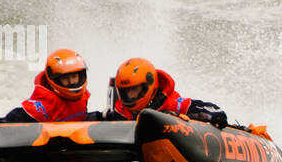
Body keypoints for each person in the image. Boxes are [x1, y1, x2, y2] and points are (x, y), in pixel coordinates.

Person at [102, 58, 270, 138]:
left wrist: (212, 116)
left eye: (135, 90)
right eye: (126, 91)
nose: (130, 96)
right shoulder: (119, 109)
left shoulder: (170, 101)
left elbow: (208, 108)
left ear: (149, 85)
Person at [0, 49, 91, 123]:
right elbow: (12, 119)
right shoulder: (43, 107)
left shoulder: (83, 96)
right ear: (54, 79)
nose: (72, 82)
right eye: (65, 78)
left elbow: (81, 118)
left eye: (74, 76)